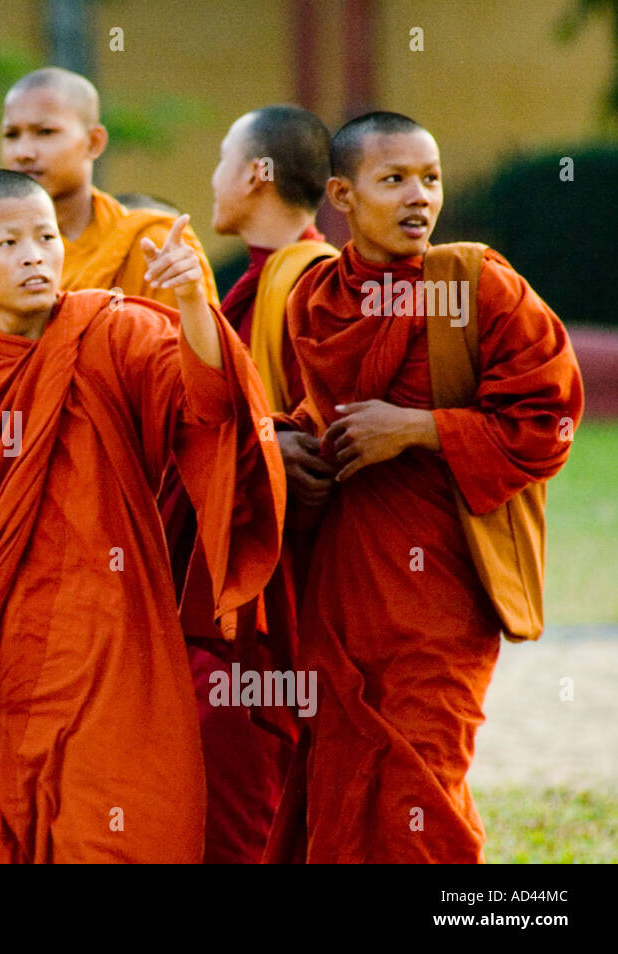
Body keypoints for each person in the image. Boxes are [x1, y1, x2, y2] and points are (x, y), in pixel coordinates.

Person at [0, 170, 283, 863]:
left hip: (114, 634)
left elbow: (208, 404)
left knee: (117, 821)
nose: (34, 256)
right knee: (12, 823)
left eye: (46, 237)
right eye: (9, 242)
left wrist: (194, 304)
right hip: (11, 649)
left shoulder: (113, 332)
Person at [267, 112, 583, 863]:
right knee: (340, 774)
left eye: (431, 179)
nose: (420, 198)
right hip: (342, 588)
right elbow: (302, 414)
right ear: (342, 194)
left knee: (421, 776)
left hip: (440, 594)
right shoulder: (313, 301)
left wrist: (418, 429)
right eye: (394, 179)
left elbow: (549, 421)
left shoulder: (479, 285)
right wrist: (281, 444)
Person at [178, 105, 337, 863]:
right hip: (234, 567)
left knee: (250, 756)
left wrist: (265, 440)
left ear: (256, 174)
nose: (212, 178)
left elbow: (318, 433)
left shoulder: (310, 282)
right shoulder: (249, 284)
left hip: (283, 579)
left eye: (220, 158)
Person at [0, 66, 218, 327]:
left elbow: (194, 362)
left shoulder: (152, 245)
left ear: (94, 142)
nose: (23, 152)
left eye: (45, 132)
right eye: (12, 135)